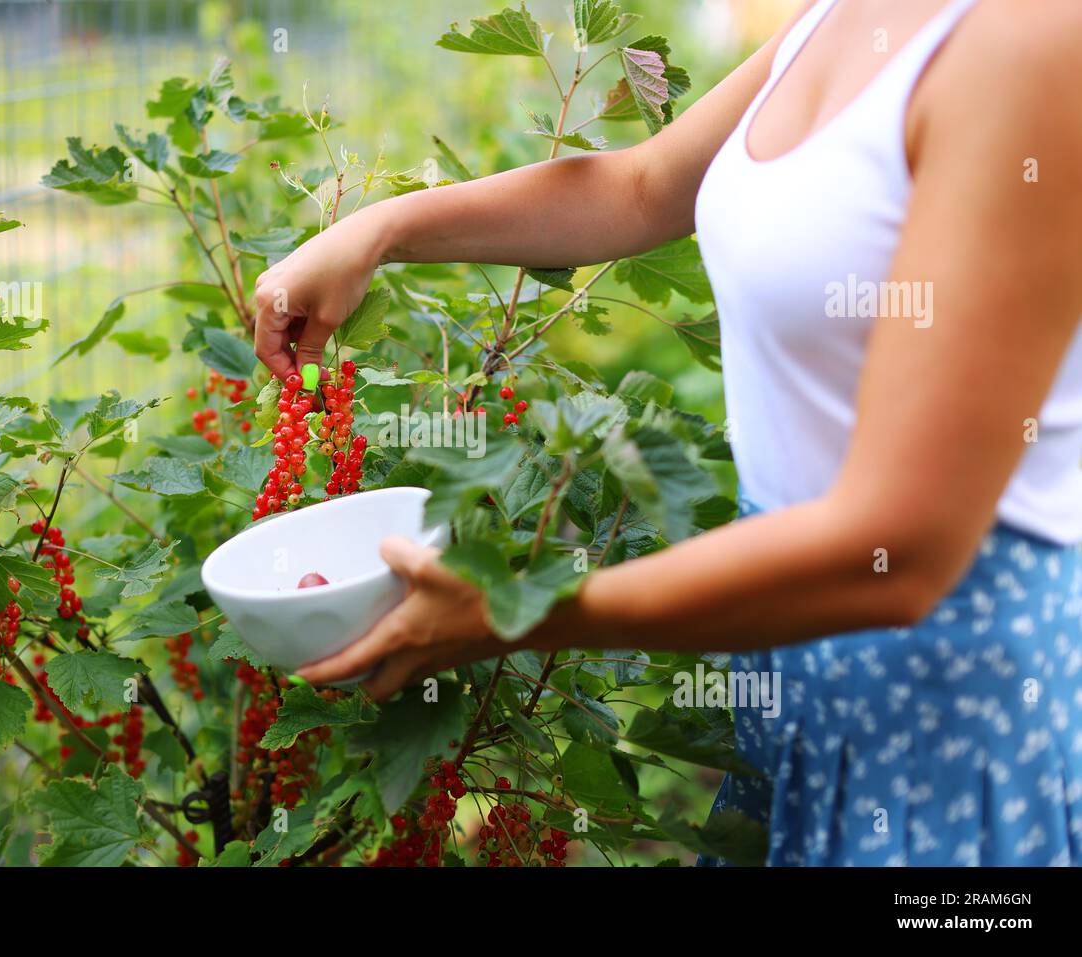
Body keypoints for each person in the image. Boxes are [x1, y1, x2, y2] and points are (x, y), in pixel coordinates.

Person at [254, 0, 1082, 865]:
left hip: (944, 731)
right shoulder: (840, 14)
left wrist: (518, 612)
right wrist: (377, 231)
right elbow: (643, 187)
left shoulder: (1024, 39)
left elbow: (900, 550)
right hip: (785, 687)